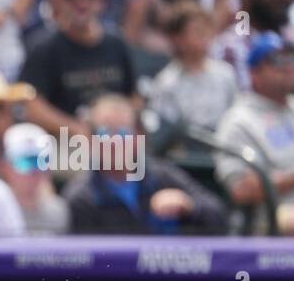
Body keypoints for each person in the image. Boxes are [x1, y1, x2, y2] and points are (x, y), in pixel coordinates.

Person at [64, 94, 228, 234]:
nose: (114, 141)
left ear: (138, 135)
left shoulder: (162, 175)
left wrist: (188, 206)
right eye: (104, 133)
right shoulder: (81, 196)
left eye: (123, 133)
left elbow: (218, 215)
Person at [20, 0, 138, 136]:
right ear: (59, 1)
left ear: (101, 3)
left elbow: (134, 97)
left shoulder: (116, 43)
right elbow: (33, 109)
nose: (81, 5)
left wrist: (119, 122)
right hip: (66, 143)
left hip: (116, 139)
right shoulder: (44, 48)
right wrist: (78, 130)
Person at [213, 32, 294, 234]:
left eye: (290, 58)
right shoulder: (238, 121)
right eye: (275, 60)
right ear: (253, 73)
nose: (287, 66)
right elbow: (241, 190)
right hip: (273, 222)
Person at [146, 0, 238, 129]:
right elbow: (166, 132)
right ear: (177, 39)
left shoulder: (226, 74)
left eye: (207, 30)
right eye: (197, 31)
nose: (205, 37)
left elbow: (235, 116)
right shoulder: (166, 83)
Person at [1, 123, 71, 235]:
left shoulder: (59, 211)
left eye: (41, 162)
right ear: (5, 166)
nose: (34, 171)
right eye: (25, 162)